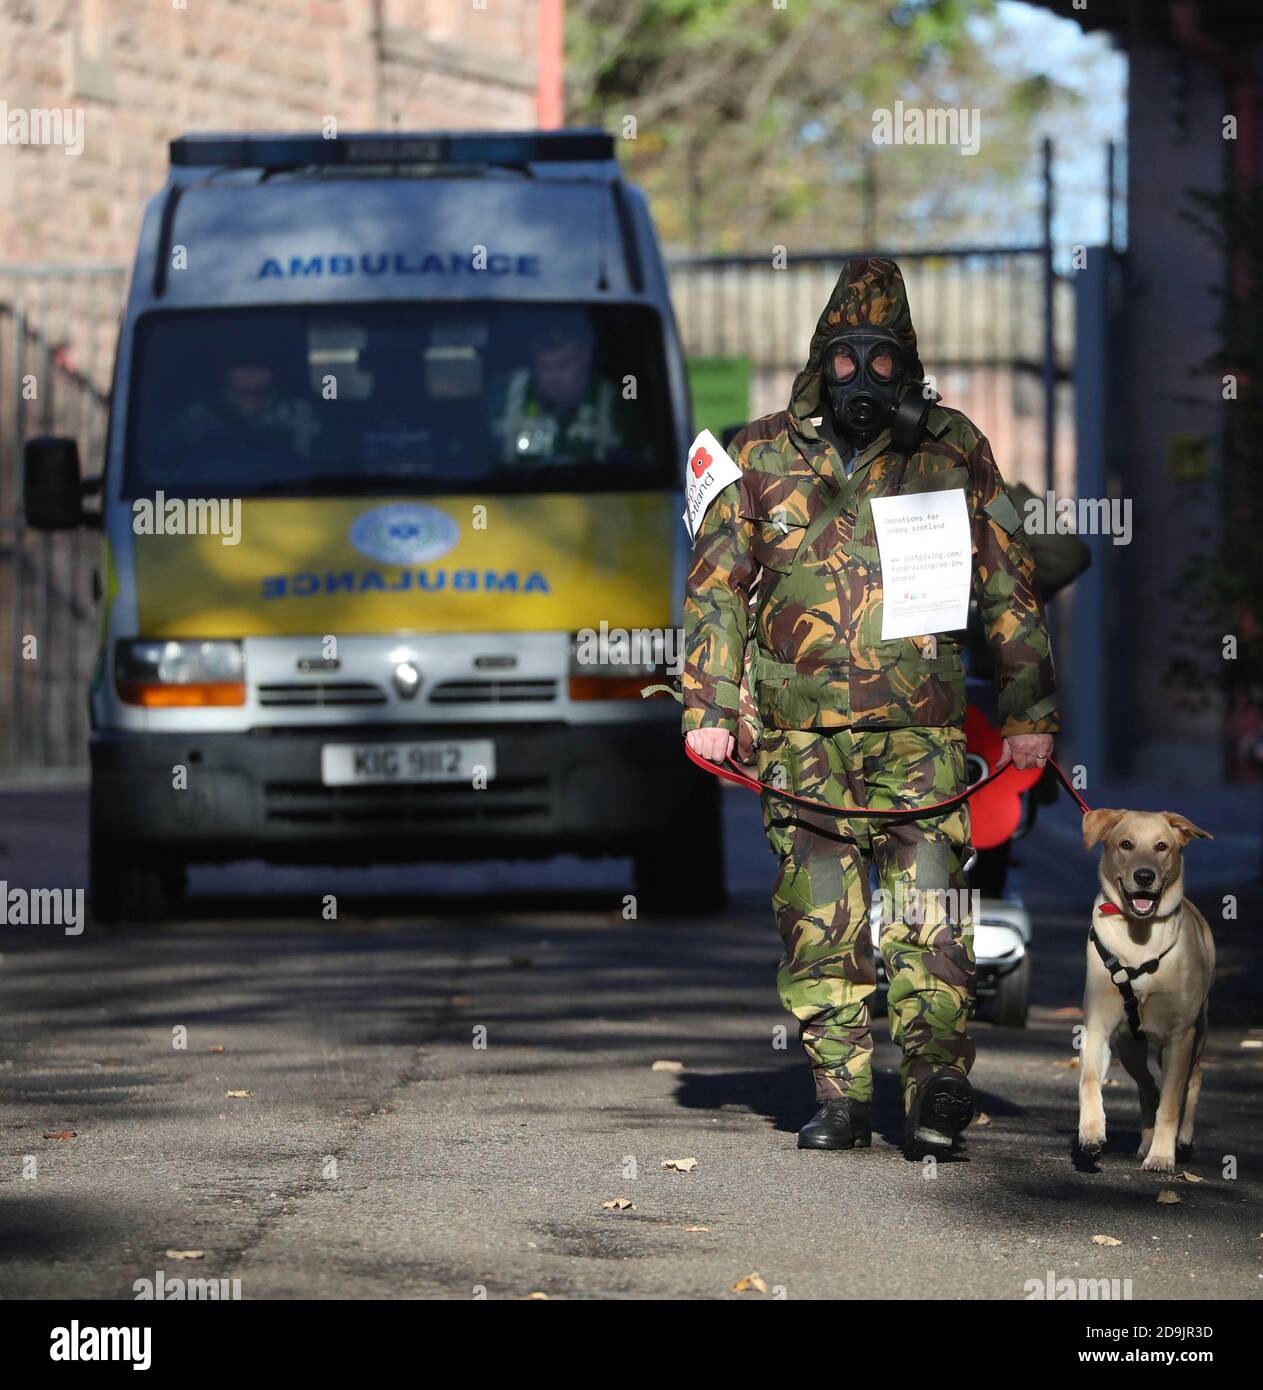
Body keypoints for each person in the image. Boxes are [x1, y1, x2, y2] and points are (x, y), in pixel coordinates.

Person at [682, 257, 1058, 1158]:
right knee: (820, 920)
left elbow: (1009, 585)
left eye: (882, 360)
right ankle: (839, 1096)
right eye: (845, 358)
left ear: (908, 363)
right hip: (800, 739)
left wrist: (1027, 713)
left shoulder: (950, 449)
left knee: (931, 917)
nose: (862, 377)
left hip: (919, 738)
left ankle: (934, 1089)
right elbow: (715, 594)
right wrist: (710, 702)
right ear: (819, 358)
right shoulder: (759, 454)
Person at [493, 311, 634, 465]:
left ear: (585, 358)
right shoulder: (502, 397)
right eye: (545, 367)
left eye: (564, 365)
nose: (555, 377)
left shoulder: (617, 404)